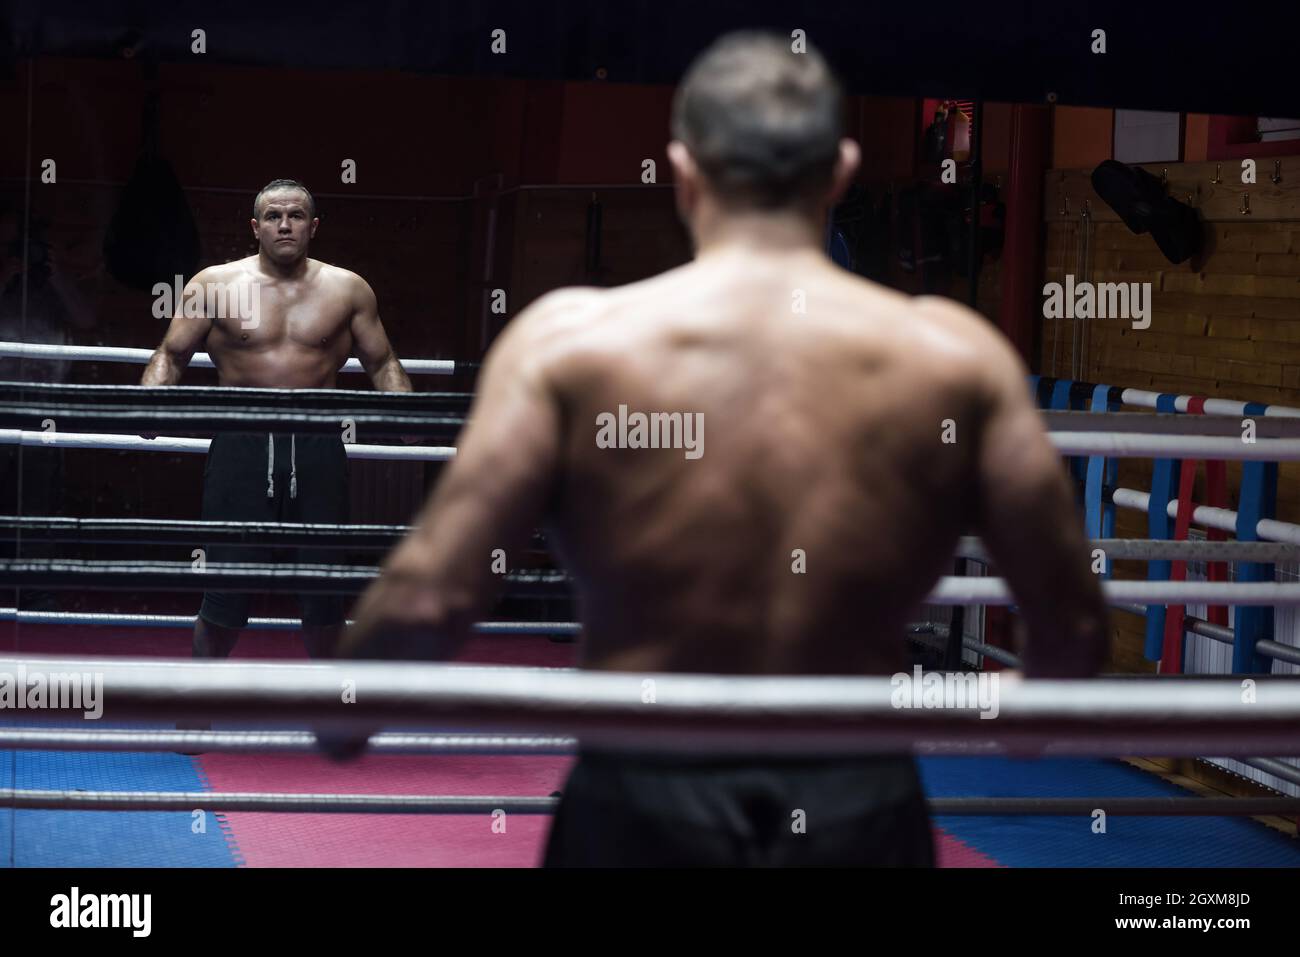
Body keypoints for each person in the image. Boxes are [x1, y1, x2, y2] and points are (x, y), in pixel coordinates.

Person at [337, 33, 1108, 866]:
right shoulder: (954, 358)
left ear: (682, 167)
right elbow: (1069, 622)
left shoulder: (573, 347)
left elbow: (431, 599)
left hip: (641, 794)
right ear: (842, 170)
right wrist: (1018, 706)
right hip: (855, 798)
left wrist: (343, 713)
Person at [141, 178, 412, 662]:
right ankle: (198, 703)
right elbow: (173, 353)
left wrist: (409, 416)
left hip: (318, 447)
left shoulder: (348, 289)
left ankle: (334, 708)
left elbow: (382, 361)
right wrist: (148, 406)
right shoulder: (216, 284)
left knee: (325, 597)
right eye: (273, 217)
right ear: (255, 227)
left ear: (313, 226)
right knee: (226, 594)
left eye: (296, 216)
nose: (284, 225)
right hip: (240, 445)